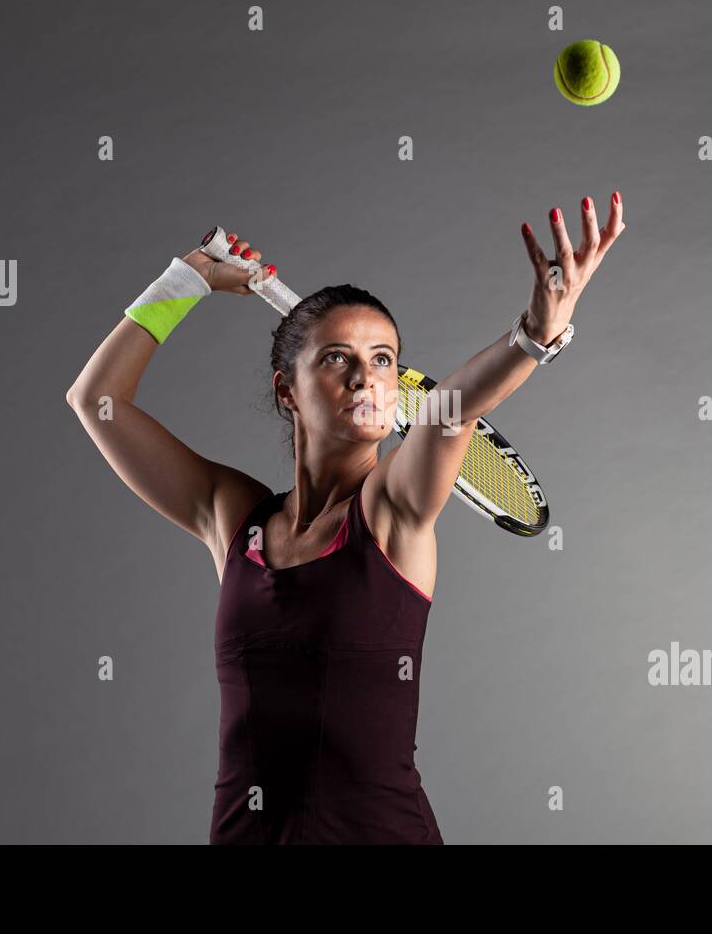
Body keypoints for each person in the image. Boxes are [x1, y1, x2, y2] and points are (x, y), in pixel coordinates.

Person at [66, 194, 626, 843]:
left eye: (383, 359)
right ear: (286, 391)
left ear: (398, 392)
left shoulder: (393, 511)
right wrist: (187, 277)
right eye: (336, 358)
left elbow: (453, 408)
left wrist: (535, 331)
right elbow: (96, 399)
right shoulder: (231, 516)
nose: (366, 375)